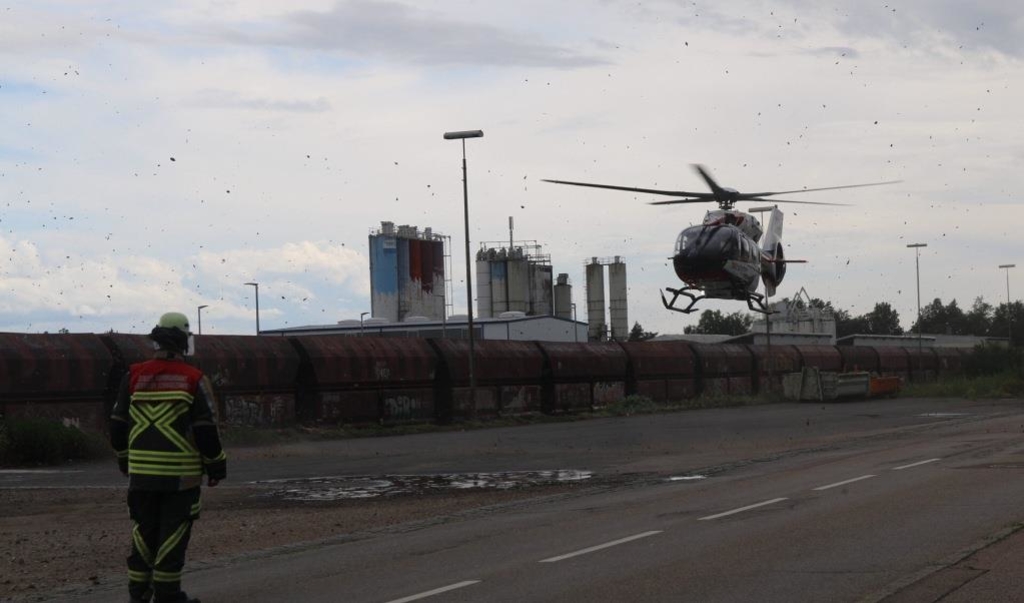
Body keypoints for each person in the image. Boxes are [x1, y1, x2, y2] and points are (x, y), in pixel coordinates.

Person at [110, 311, 226, 603]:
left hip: (141, 476)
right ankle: (168, 596)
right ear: (185, 341)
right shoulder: (193, 379)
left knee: (143, 533)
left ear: (157, 339)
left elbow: (117, 423)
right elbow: (206, 430)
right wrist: (216, 464)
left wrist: (124, 459)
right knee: (172, 536)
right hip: (180, 477)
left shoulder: (133, 375)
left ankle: (138, 595)